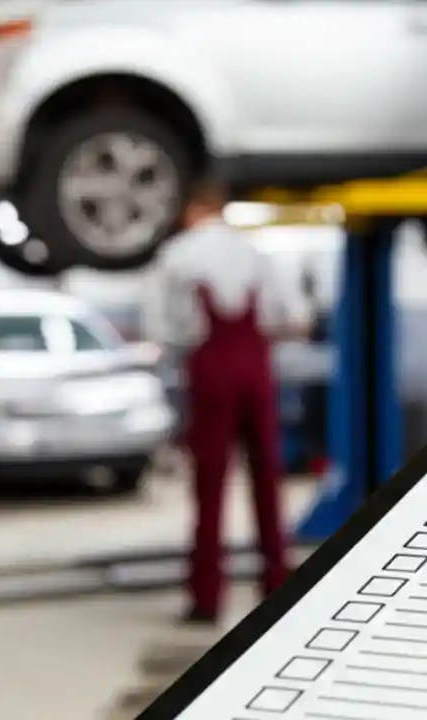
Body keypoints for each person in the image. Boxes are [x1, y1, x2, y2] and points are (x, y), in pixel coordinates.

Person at [147, 179, 309, 623]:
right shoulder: (257, 254)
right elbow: (295, 318)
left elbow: (163, 330)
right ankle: (277, 587)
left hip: (210, 373)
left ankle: (206, 598)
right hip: (256, 372)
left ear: (193, 209)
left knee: (210, 488)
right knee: (267, 483)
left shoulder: (177, 256)